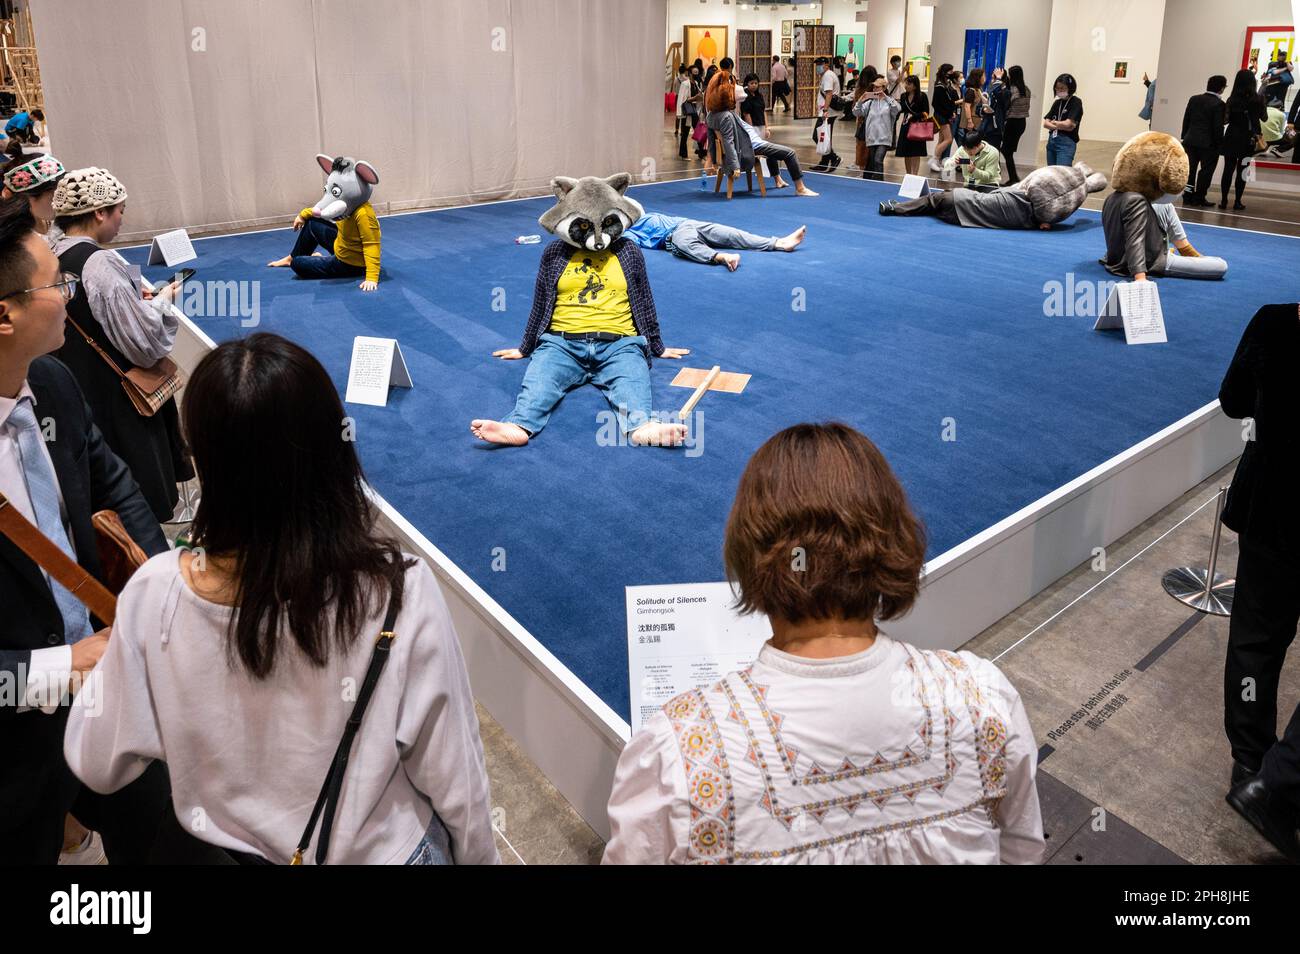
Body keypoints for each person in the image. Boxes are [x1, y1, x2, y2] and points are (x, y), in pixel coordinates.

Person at [63, 332, 500, 865]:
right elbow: (455, 776)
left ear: (202, 456)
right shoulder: (397, 589)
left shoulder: (156, 592)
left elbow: (95, 762)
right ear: (334, 449)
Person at [603, 422, 1044, 865]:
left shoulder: (678, 754)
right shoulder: (984, 698)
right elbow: (1020, 850)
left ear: (747, 551)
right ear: (894, 539)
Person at [0, 198, 217, 865]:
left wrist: (159, 587)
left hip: (106, 698)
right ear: (5, 313)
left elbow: (114, 482)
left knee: (167, 839)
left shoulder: (54, 384)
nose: (68, 297)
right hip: (16, 746)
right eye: (55, 287)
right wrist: (59, 667)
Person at [471, 174, 689, 448]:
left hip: (619, 343)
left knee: (633, 380)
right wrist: (525, 347)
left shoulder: (629, 251)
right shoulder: (554, 254)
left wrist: (657, 346)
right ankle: (519, 424)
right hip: (562, 343)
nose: (598, 239)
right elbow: (540, 304)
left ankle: (641, 426)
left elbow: (644, 300)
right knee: (540, 380)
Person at [50, 168, 191, 523]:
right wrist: (162, 301)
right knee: (137, 486)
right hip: (121, 393)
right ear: (100, 212)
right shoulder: (100, 262)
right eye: (120, 212)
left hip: (78, 385)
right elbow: (144, 343)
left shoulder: (50, 254)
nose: (120, 222)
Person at [1218, 302, 1300, 863]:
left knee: (1255, 639)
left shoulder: (1274, 322)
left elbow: (1233, 400)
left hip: (1273, 502)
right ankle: (1274, 780)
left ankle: (1252, 761)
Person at [1100, 192, 1227, 280]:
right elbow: (1135, 240)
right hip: (1150, 262)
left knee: (1165, 205)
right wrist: (1140, 276)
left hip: (1116, 257)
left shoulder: (1112, 197)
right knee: (1221, 266)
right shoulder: (1137, 201)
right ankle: (1183, 249)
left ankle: (1183, 249)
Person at [624, 210, 806, 271]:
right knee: (687, 245)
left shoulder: (640, 213)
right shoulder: (627, 233)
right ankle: (721, 257)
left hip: (687, 222)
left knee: (732, 234)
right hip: (673, 235)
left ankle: (778, 243)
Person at [734, 114, 818, 195]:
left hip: (757, 143)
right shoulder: (727, 116)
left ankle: (778, 180)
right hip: (754, 145)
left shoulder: (730, 114)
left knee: (772, 151)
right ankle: (800, 188)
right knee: (790, 153)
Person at [1220, 69, 1267, 211]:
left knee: (1228, 170)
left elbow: (1225, 120)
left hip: (1232, 136)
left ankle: (1223, 201)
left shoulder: (1231, 100)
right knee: (1243, 171)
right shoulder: (1258, 99)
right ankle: (1237, 201)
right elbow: (1264, 118)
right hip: (1249, 139)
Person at [1181, 75, 1227, 207]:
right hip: (1209, 144)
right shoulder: (1219, 104)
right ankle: (1199, 197)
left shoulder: (1194, 99)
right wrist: (1219, 143)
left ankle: (1188, 195)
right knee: (1205, 172)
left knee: (1190, 171)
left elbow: (1187, 119)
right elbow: (1217, 127)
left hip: (1190, 141)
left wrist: (1185, 136)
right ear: (1222, 88)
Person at [1, 147, 64, 236]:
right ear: (24, 198)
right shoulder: (15, 241)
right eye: (54, 197)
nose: (62, 201)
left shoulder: (55, 220)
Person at [854, 76, 900, 181]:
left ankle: (879, 183)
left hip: (884, 138)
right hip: (871, 138)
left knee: (878, 160)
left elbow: (897, 110)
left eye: (877, 87)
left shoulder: (890, 102)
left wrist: (886, 97)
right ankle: (878, 181)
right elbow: (856, 112)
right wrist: (861, 100)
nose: (875, 89)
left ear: (884, 88)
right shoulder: (869, 103)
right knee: (874, 162)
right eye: (874, 87)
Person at [895, 75, 932, 177]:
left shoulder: (922, 96)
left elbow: (926, 113)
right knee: (906, 152)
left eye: (909, 83)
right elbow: (901, 109)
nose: (906, 85)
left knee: (916, 152)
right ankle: (908, 174)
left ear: (915, 86)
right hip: (906, 126)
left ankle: (914, 175)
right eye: (906, 83)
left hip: (917, 127)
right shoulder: (903, 96)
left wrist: (915, 116)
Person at [810, 56, 842, 172]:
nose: (818, 66)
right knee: (824, 136)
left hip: (828, 112)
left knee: (817, 136)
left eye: (820, 64)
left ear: (827, 65)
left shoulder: (828, 75)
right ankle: (824, 162)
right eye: (817, 64)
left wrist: (825, 110)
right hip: (828, 111)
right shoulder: (828, 75)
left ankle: (834, 158)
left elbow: (828, 94)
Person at [1043, 73, 1083, 166]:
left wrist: (1054, 123)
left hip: (1066, 143)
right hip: (1052, 141)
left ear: (1070, 88)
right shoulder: (1057, 103)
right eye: (1057, 88)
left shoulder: (1076, 102)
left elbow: (1068, 124)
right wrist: (1063, 125)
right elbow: (1045, 124)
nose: (1059, 90)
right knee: (1052, 174)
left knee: (1063, 174)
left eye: (1062, 88)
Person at [1001, 65, 1032, 183]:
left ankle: (1013, 178)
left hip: (1012, 122)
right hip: (1021, 122)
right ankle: (1013, 177)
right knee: (1008, 151)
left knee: (1006, 150)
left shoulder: (1013, 90)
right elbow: (1027, 107)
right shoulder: (1026, 89)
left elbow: (1007, 106)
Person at [929, 63, 958, 172]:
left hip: (944, 115)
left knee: (941, 139)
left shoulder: (945, 85)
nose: (952, 73)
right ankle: (934, 159)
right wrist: (949, 113)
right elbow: (936, 103)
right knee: (948, 139)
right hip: (942, 116)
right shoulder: (940, 86)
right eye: (950, 71)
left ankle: (936, 160)